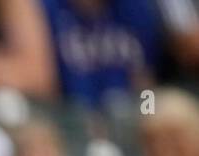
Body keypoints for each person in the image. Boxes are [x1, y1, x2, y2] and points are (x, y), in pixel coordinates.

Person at [40, 0, 169, 108]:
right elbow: (49, 88)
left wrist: (147, 114)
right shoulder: (48, 10)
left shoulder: (136, 8)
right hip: (73, 123)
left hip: (130, 119)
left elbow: (147, 80)